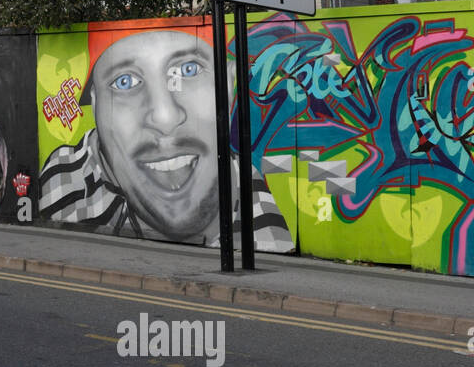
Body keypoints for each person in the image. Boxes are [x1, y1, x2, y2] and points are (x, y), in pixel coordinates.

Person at [39, 26, 290, 251]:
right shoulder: (65, 180)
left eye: (189, 69)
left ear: (230, 85)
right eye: (125, 81)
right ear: (95, 106)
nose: (165, 118)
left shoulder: (268, 228)